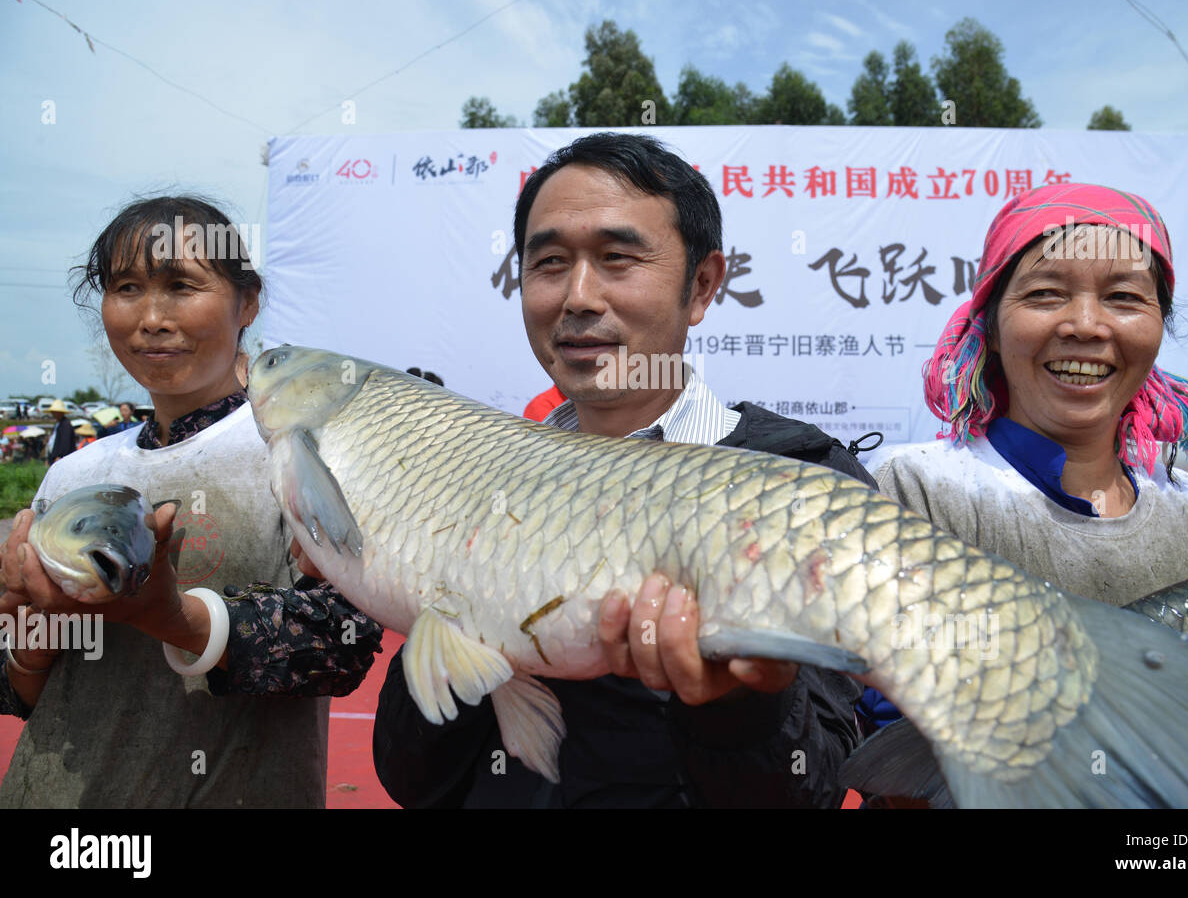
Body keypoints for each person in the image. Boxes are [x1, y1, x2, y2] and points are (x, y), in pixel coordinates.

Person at [357, 133, 874, 809]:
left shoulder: (798, 483)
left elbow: (816, 786)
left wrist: (736, 703)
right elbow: (416, 780)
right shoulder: (479, 475)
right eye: (548, 262)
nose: (577, 296)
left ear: (703, 284)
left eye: (616, 258)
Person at [0, 195, 382, 807]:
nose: (151, 317)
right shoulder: (73, 473)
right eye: (126, 287)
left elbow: (343, 644)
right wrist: (30, 641)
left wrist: (173, 619)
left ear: (247, 303)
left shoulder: (303, 457)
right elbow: (16, 688)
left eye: (181, 286)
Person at [869, 183, 1188, 606]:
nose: (1086, 325)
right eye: (1044, 293)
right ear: (992, 328)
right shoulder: (917, 490)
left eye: (1124, 297)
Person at [44, 400, 76, 465]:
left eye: (54, 412)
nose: (53, 414)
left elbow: (65, 442)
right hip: (54, 456)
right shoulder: (58, 424)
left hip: (61, 458)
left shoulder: (66, 425)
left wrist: (60, 456)